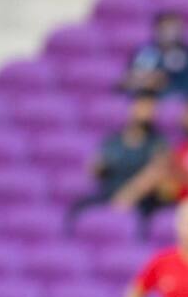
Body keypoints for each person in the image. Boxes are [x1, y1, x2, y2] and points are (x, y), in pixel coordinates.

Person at [71, 91, 170, 220]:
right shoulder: (114, 140)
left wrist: (128, 196)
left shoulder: (157, 143)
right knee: (79, 210)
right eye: (143, 106)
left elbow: (154, 174)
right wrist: (96, 166)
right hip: (109, 194)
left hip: (141, 201)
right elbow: (95, 168)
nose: (147, 112)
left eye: (151, 107)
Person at [121, 12, 188, 97]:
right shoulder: (145, 52)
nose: (169, 33)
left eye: (173, 29)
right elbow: (128, 80)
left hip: (168, 100)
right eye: (164, 28)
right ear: (156, 29)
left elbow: (178, 83)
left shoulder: (187, 54)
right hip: (139, 97)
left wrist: (155, 80)